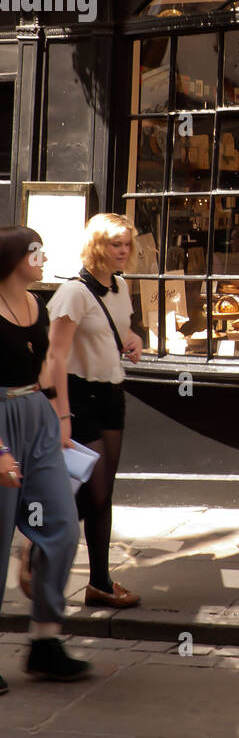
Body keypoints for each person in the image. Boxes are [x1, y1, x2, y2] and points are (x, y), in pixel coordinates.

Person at [38, 213, 144, 610]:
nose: (123, 251)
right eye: (115, 243)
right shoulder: (74, 292)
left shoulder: (121, 286)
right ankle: (40, 547)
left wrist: (131, 340)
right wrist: (62, 415)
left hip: (112, 393)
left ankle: (99, 582)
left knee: (103, 493)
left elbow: (120, 330)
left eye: (127, 244)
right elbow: (54, 357)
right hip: (79, 396)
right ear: (97, 245)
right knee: (94, 490)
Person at [0, 226, 90, 686]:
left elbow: (46, 364)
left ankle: (45, 641)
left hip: (36, 415)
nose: (42, 257)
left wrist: (59, 415)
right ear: (13, 257)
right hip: (1, 421)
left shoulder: (37, 304)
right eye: (34, 251)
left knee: (59, 525)